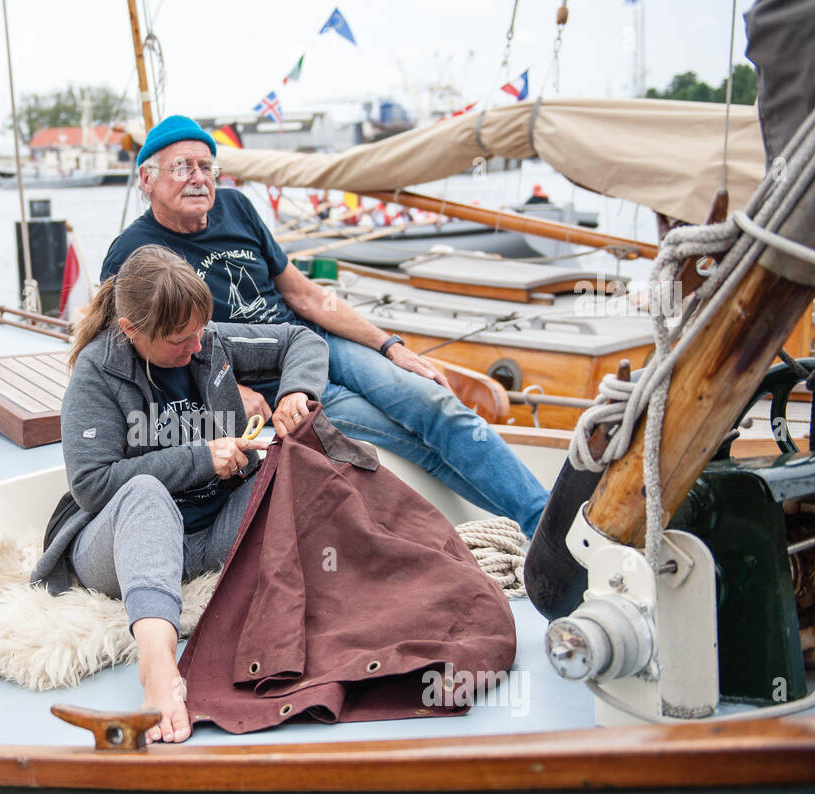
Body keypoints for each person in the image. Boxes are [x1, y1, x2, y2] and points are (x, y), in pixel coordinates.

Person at [101, 115, 550, 535]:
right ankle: (535, 526)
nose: (199, 178)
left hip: (315, 344)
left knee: (434, 404)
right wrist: (227, 388)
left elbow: (304, 294)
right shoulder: (132, 254)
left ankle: (547, 523)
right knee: (404, 438)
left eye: (207, 166)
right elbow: (131, 350)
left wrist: (389, 345)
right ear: (147, 178)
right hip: (274, 384)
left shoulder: (236, 207)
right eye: (182, 167)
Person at [31, 244, 329, 743]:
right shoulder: (95, 375)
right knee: (146, 492)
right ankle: (157, 666)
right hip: (121, 545)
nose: (196, 347)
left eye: (200, 333)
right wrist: (200, 457)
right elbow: (92, 485)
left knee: (293, 461)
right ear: (131, 331)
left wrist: (296, 390)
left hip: (211, 531)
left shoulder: (206, 340)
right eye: (178, 341)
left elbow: (301, 340)